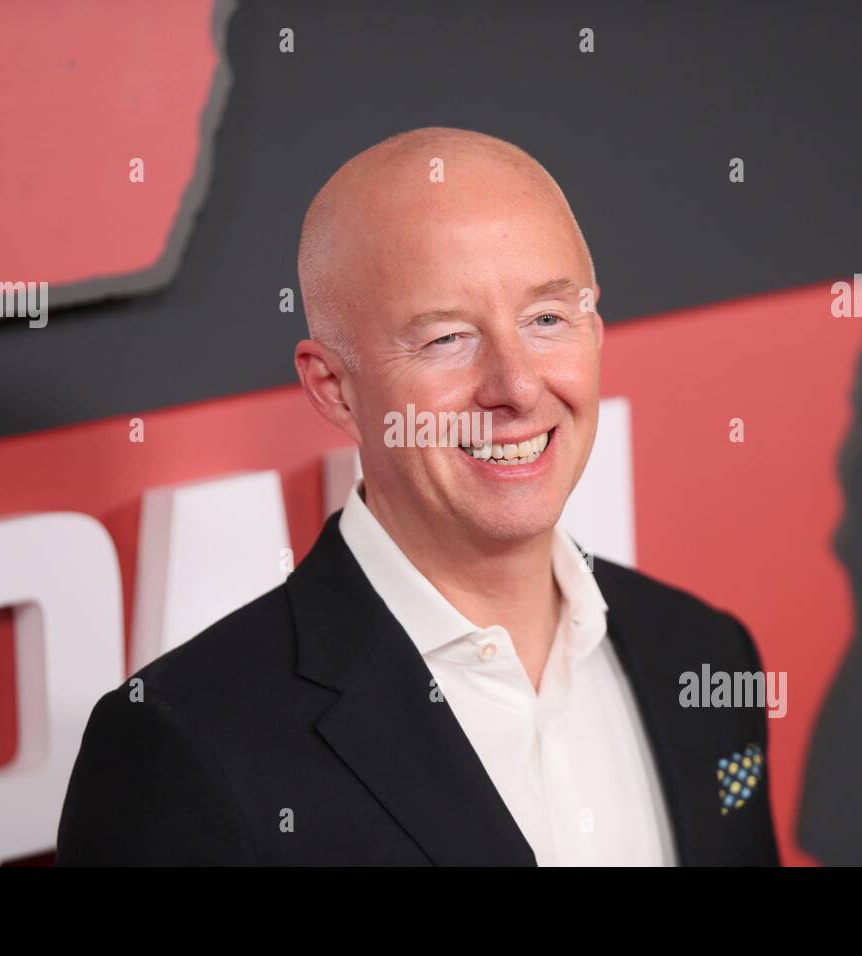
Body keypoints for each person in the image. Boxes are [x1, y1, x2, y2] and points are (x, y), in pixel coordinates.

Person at [56, 127, 779, 865]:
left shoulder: (701, 652)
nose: (518, 387)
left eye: (546, 320)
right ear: (333, 388)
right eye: (447, 339)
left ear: (593, 332)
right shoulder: (185, 749)